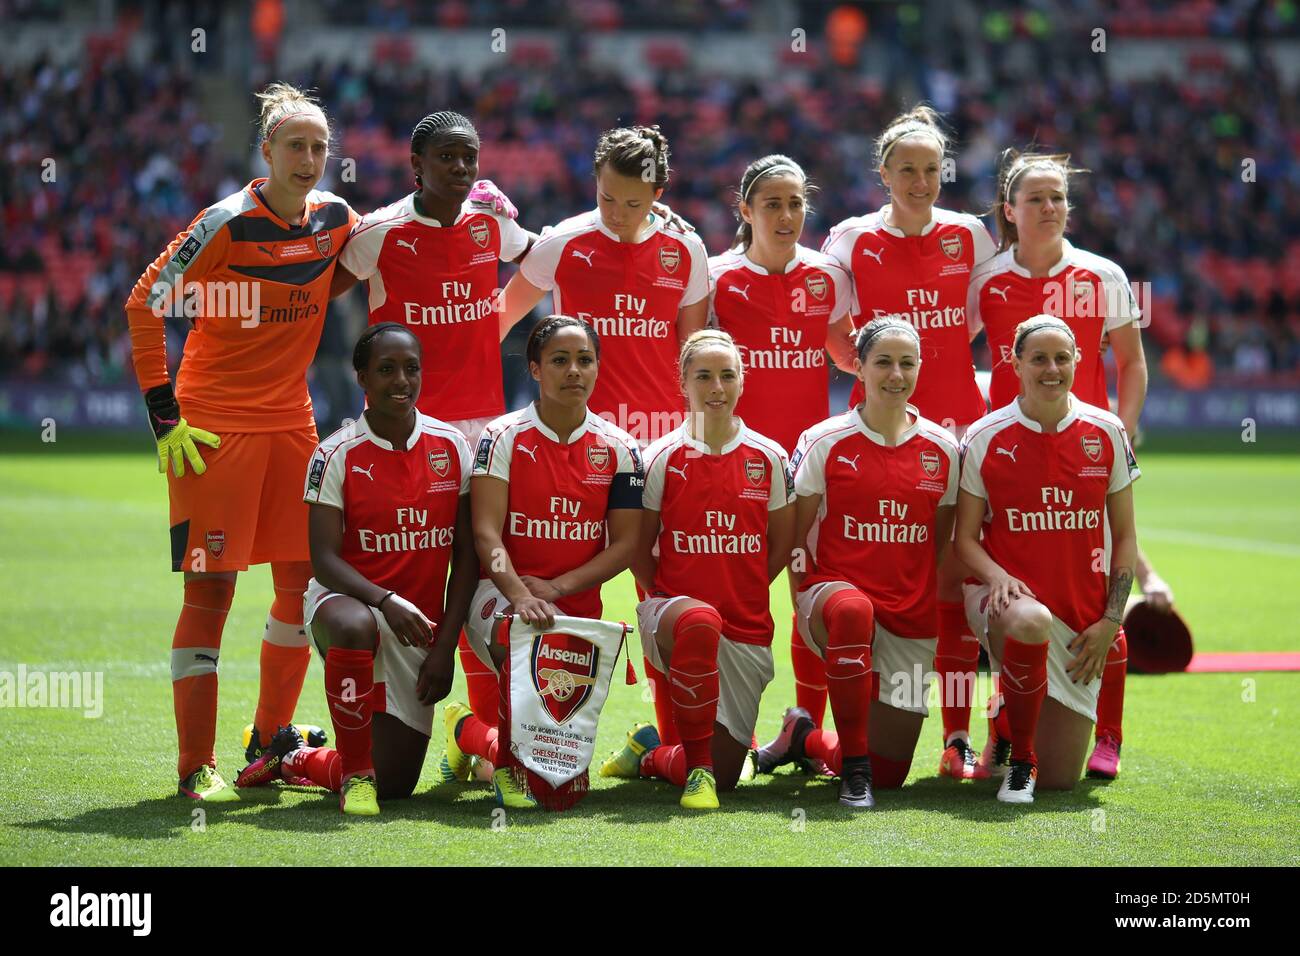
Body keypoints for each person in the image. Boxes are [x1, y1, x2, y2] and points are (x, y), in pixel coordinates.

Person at [124, 83, 357, 801]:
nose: (309, 159)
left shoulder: (337, 220)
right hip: (214, 428)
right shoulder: (224, 222)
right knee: (212, 590)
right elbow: (145, 302)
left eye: (320, 147)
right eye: (296, 146)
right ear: (268, 151)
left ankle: (267, 743)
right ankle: (196, 765)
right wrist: (165, 417)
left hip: (293, 425)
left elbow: (374, 253)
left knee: (301, 584)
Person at [329, 109, 534, 782]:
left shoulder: (490, 226)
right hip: (408, 439)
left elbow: (550, 254)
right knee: (421, 566)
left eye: (469, 157)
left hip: (483, 430)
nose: (461, 168)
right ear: (416, 164)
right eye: (447, 157)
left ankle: (489, 742)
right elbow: (318, 294)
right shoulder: (380, 234)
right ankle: (408, 718)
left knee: (485, 577)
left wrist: (653, 217)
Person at [820, 106, 997, 779]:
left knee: (950, 585)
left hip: (956, 423)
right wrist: (866, 371)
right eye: (907, 170)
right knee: (870, 576)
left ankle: (956, 737)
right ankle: (838, 725)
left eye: (931, 170)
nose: (921, 181)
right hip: (879, 426)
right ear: (884, 174)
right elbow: (835, 326)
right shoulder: (851, 240)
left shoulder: (971, 236)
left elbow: (973, 321)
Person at [237, 324, 477, 815]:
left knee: (397, 785)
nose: (401, 381)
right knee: (353, 623)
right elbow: (323, 561)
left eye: (411, 369)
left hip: (418, 631)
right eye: (386, 370)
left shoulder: (454, 447)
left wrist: (446, 647)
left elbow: (467, 561)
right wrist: (386, 600)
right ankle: (357, 778)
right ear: (362, 378)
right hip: (347, 605)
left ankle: (292, 756)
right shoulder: (334, 454)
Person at [968, 150, 1149, 778]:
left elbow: (1131, 361)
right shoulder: (985, 278)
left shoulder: (1102, 275)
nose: (1050, 208)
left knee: (1099, 593)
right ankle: (997, 728)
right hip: (1008, 462)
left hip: (1086, 461)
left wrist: (1121, 434)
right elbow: (941, 350)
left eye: (1059, 198)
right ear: (1009, 211)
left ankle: (1111, 736)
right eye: (1036, 199)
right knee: (1009, 598)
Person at [756, 317, 960, 808]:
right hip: (834, 600)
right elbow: (794, 536)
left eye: (906, 363)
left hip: (909, 618)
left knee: (892, 775)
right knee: (852, 611)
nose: (896, 373)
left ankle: (803, 736)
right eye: (883, 362)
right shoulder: (824, 440)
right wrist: (802, 603)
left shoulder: (945, 450)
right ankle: (853, 773)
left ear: (919, 368)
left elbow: (936, 543)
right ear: (859, 369)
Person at [442, 315, 643, 808]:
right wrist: (521, 594)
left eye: (584, 360)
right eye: (559, 360)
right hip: (503, 597)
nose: (574, 371)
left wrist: (555, 589)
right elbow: (486, 532)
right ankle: (505, 762)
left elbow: (625, 545)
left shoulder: (621, 448)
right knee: (522, 768)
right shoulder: (502, 436)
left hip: (569, 608)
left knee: (559, 791)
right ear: (534, 369)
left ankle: (465, 729)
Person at [698, 155, 856, 765]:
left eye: (795, 204)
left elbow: (845, 352)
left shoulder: (827, 278)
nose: (786, 215)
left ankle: (805, 728)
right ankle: (708, 730)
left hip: (808, 466)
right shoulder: (716, 277)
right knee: (732, 594)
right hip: (737, 465)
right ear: (745, 211)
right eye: (772, 204)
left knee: (809, 588)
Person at [600, 330, 794, 809]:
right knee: (698, 621)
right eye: (703, 376)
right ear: (683, 383)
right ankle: (694, 767)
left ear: (742, 382)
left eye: (728, 375)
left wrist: (741, 585)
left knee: (726, 778)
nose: (716, 387)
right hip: (674, 615)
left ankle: (648, 752)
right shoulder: (660, 458)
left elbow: (781, 544)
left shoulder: (770, 457)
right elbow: (637, 550)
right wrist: (669, 598)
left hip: (745, 626)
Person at [955, 316, 1140, 803]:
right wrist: (999, 577)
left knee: (1062, 781)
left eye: (1062, 357)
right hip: (1008, 604)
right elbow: (964, 541)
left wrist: (1109, 623)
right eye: (1038, 358)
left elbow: (1124, 538)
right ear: (1015, 364)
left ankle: (1004, 718)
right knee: (1030, 619)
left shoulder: (1107, 431)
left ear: (1079, 360)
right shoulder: (985, 436)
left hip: (1080, 618)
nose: (1051, 368)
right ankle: (1021, 761)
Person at [496, 125, 710, 448]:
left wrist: (696, 438)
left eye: (633, 204)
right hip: (581, 436)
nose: (616, 213)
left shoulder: (687, 249)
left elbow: (692, 357)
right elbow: (497, 321)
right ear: (595, 179)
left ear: (658, 196)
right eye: (607, 197)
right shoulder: (562, 244)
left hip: (663, 437)